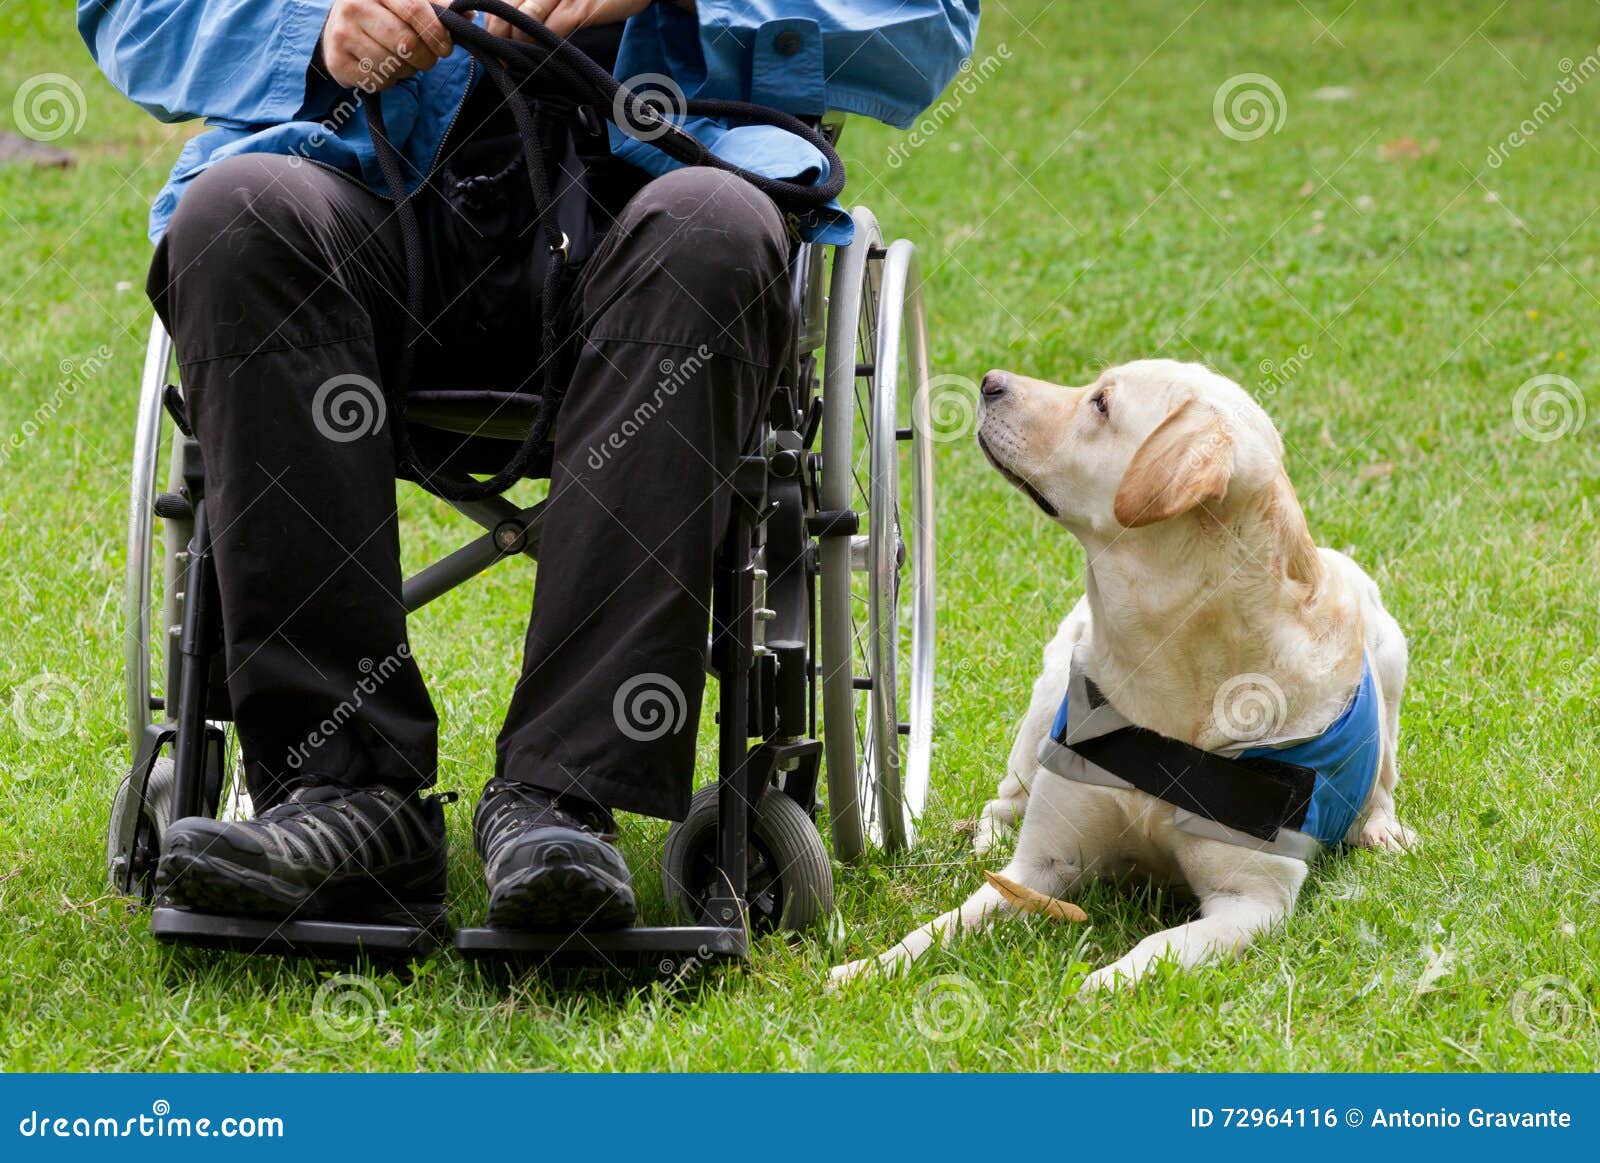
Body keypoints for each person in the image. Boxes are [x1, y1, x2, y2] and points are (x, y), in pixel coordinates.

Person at [79, 0, 978, 935]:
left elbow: (929, 24)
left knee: (713, 225)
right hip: (372, 183)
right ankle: (342, 795)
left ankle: (558, 798)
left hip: (659, 185)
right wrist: (309, 31)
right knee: (237, 215)